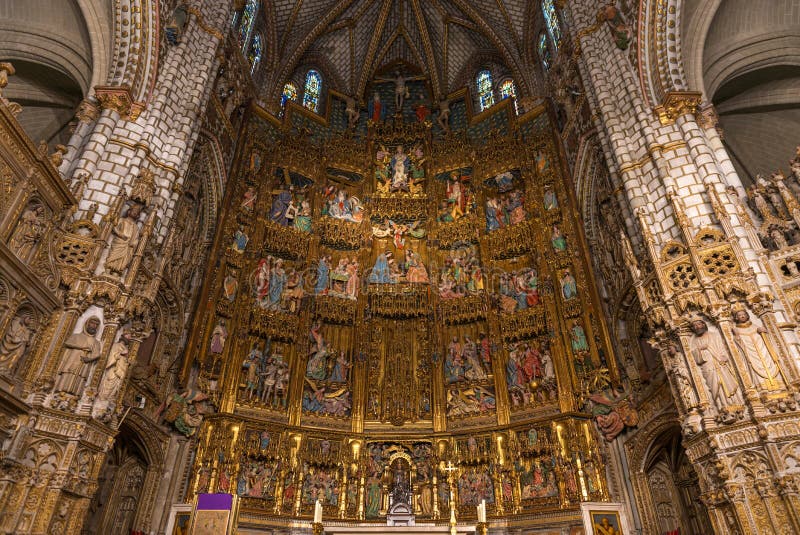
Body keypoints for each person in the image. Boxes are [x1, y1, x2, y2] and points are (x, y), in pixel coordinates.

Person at [688, 315, 744, 410]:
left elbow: (722, 347)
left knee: (727, 382)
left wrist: (724, 356)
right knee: (714, 386)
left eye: (699, 324)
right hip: (708, 366)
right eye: (695, 326)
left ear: (703, 324)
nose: (697, 327)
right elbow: (695, 357)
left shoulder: (713, 335)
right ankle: (722, 406)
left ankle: (736, 402)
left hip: (720, 363)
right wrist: (699, 349)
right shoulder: (694, 341)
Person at [54, 317, 102, 396]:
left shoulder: (96, 342)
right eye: (92, 323)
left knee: (80, 377)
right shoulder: (76, 336)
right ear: (87, 324)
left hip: (84, 363)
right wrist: (81, 347)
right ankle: (60, 391)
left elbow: (97, 354)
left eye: (96, 325)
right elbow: (67, 343)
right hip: (72, 359)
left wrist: (89, 359)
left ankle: (75, 395)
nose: (94, 326)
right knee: (67, 373)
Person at [105, 203, 143, 274]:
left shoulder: (136, 227)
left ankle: (117, 271)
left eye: (137, 212)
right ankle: (108, 269)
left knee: (123, 259)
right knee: (113, 255)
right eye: (134, 211)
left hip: (128, 245)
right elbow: (115, 228)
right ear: (129, 211)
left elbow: (136, 238)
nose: (135, 213)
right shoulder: (122, 220)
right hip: (119, 242)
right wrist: (121, 235)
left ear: (138, 216)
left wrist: (133, 243)